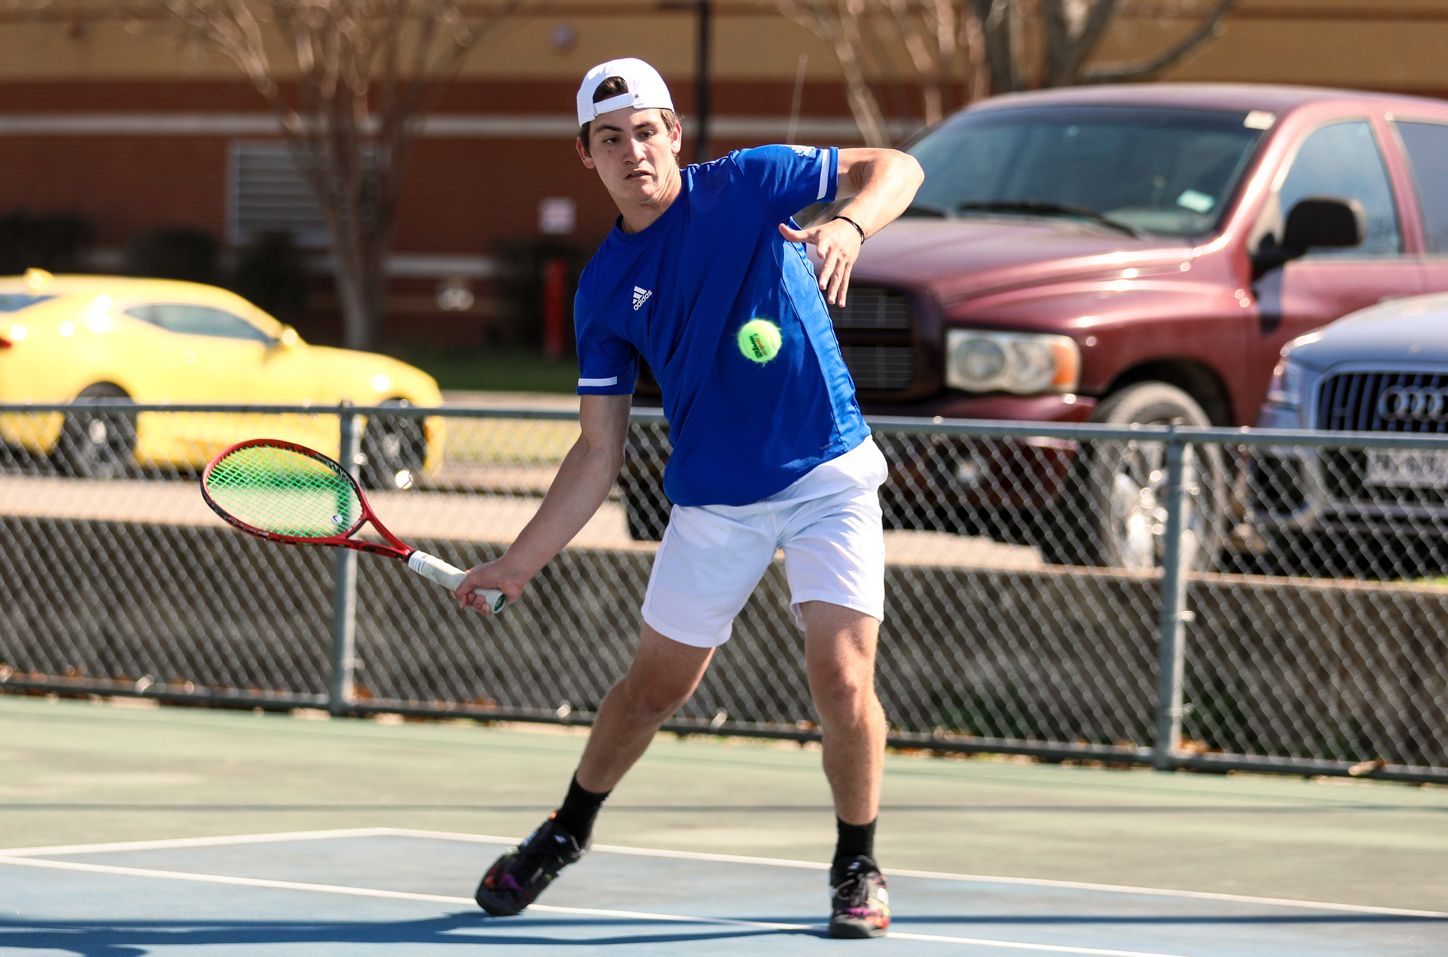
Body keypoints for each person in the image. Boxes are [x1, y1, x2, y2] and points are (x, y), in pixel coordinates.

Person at [455, 57, 922, 939]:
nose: (633, 151)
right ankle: (566, 829)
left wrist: (851, 227)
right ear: (586, 157)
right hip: (714, 503)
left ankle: (856, 860)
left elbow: (896, 166)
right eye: (610, 139)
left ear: (674, 134)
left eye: (645, 131)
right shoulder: (603, 289)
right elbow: (599, 448)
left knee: (842, 672)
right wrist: (519, 561)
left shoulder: (749, 182)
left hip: (829, 472)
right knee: (653, 691)